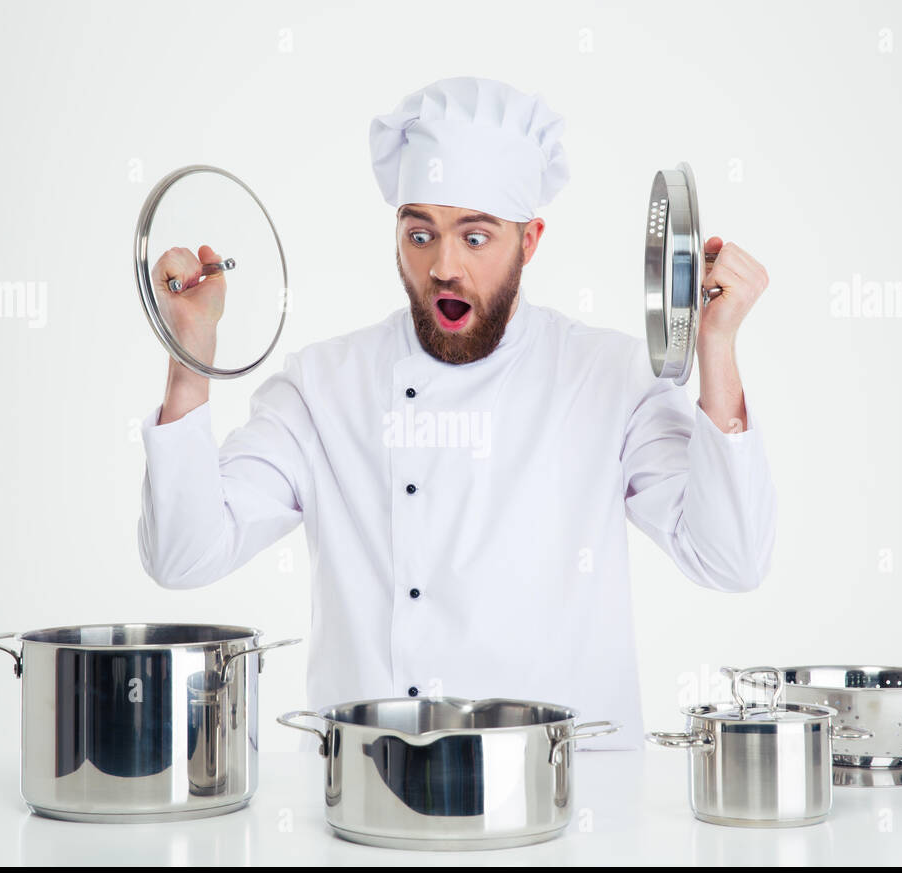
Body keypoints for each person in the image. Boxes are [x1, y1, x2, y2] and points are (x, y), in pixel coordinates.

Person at [138, 76, 777, 749]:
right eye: (421, 235)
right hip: (372, 797)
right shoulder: (322, 387)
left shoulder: (609, 378)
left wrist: (718, 349)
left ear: (529, 241)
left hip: (571, 807)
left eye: (476, 238)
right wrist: (191, 356)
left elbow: (729, 558)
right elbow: (183, 557)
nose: (443, 267)